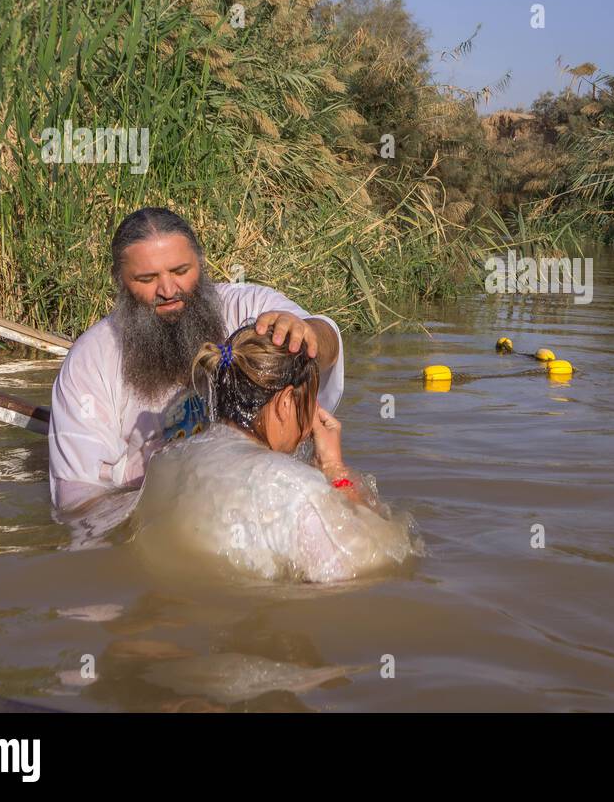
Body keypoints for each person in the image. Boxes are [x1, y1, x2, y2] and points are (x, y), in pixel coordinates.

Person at [48, 207, 343, 515]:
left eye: (180, 271)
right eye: (147, 278)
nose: (168, 290)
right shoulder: (90, 361)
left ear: (200, 264)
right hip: (158, 518)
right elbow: (78, 503)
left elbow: (328, 340)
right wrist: (188, 495)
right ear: (119, 281)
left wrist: (307, 333)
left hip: (269, 500)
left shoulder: (246, 309)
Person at [132, 324, 419, 584]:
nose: (310, 424)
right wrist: (334, 469)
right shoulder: (293, 487)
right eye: (310, 401)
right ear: (284, 403)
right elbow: (378, 562)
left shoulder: (166, 459)